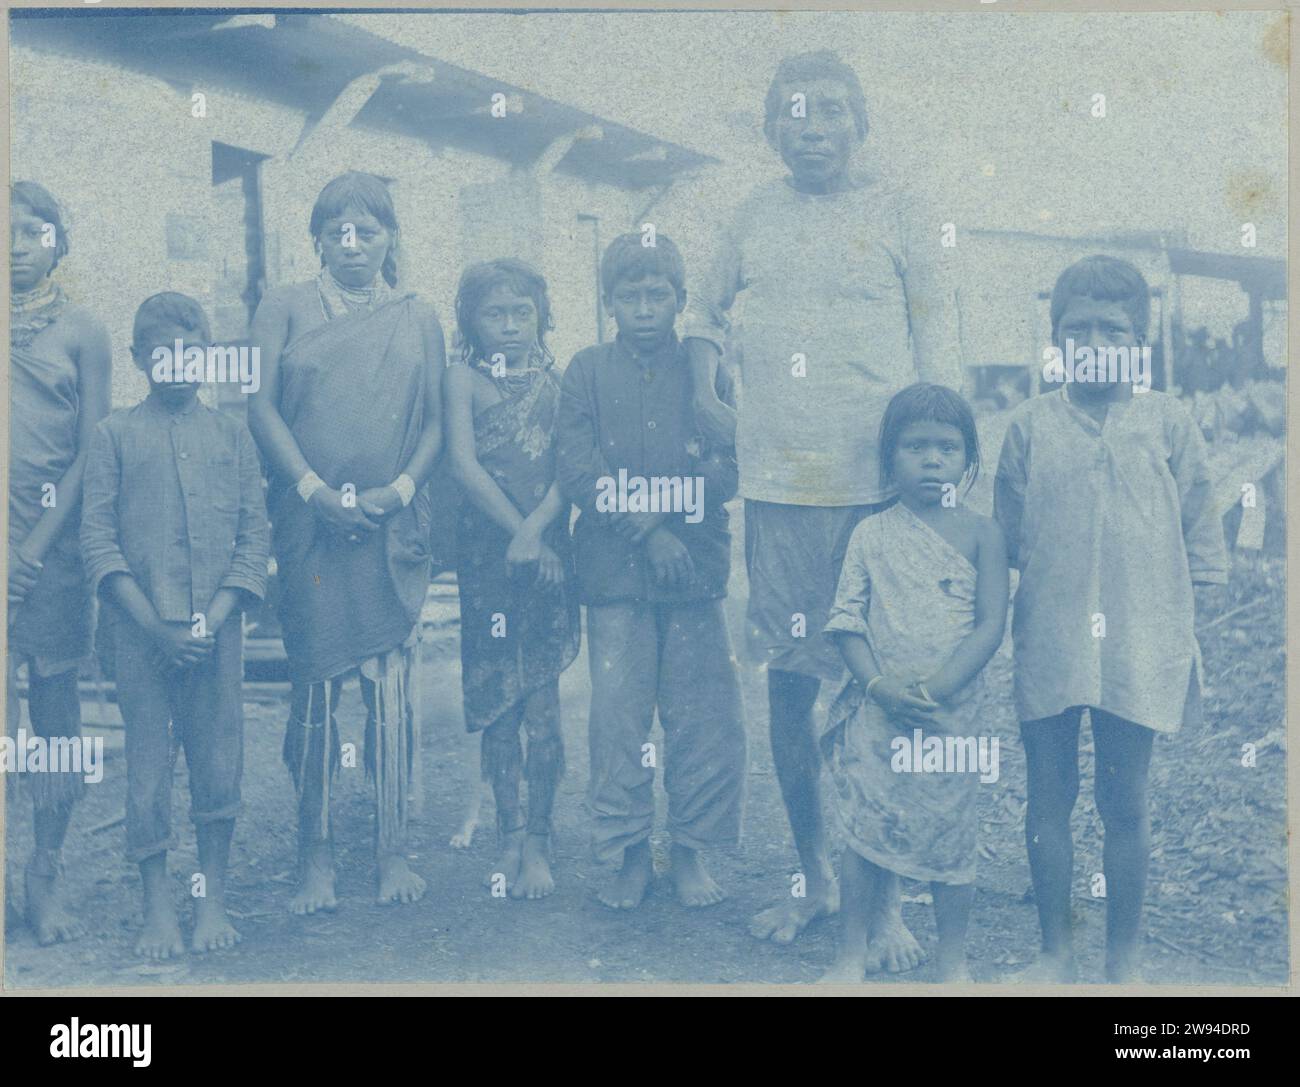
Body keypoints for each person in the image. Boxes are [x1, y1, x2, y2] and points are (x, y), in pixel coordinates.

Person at [682, 50, 962, 960]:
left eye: (832, 109)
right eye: (794, 112)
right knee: (794, 688)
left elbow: (939, 348)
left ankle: (884, 901)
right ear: (772, 129)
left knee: (882, 693)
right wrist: (704, 394)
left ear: (861, 122)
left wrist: (941, 488)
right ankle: (816, 878)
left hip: (881, 498)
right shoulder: (751, 215)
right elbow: (699, 315)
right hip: (780, 494)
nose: (813, 126)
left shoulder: (902, 214)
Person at [994, 255, 1229, 983]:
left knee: (1125, 799)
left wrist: (1201, 605)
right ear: (1055, 337)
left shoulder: (1167, 421)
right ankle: (1054, 954)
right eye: (1078, 327)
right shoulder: (1030, 426)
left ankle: (1123, 960)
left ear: (1140, 339)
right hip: (1052, 635)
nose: (1095, 340)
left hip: (1140, 635)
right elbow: (1001, 542)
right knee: (1049, 795)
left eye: (1113, 328)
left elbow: (1201, 522)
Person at [248, 171, 446, 913]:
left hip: (391, 527)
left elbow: (433, 422)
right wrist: (312, 491)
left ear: (391, 236)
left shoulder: (417, 315)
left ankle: (392, 850)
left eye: (369, 230)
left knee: (388, 690)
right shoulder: (285, 306)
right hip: (311, 525)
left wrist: (396, 494)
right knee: (317, 689)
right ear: (318, 239)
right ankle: (316, 854)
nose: (354, 245)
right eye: (339, 232)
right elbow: (259, 405)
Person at [557, 232, 747, 910]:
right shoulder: (584, 370)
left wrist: (666, 522)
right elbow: (578, 467)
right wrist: (646, 528)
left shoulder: (706, 372)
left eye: (657, 294)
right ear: (609, 301)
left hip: (693, 570)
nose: (644, 307)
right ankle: (629, 852)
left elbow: (729, 463)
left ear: (680, 300)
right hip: (613, 575)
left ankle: (691, 851)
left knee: (700, 716)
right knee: (619, 719)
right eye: (630, 294)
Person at [80, 293, 269, 959]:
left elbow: (253, 536)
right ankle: (156, 906)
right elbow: (98, 544)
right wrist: (157, 627)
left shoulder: (231, 435)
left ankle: (211, 897)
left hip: (215, 637)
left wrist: (212, 620)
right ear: (138, 359)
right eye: (162, 353)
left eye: (192, 352)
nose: (179, 365)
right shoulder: (113, 436)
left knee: (218, 761)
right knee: (148, 768)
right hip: (139, 638)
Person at [819, 385, 1007, 982]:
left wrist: (938, 689)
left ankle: (953, 967)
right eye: (915, 446)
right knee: (865, 828)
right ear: (888, 459)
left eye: (947, 447)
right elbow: (846, 622)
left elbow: (990, 624)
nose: (932, 459)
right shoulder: (870, 534)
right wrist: (877, 687)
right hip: (879, 713)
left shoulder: (983, 535)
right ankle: (851, 956)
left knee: (950, 834)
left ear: (969, 459)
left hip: (950, 714)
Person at [444, 259, 580, 900]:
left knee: (543, 708)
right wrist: (519, 533)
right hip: (487, 562)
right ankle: (506, 833)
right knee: (498, 705)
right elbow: (464, 466)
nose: (508, 326)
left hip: (551, 557)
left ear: (541, 317)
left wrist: (540, 530)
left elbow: (571, 467)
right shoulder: (462, 381)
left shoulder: (559, 385)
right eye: (494, 313)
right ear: (471, 320)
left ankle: (540, 840)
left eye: (520, 312)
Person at [7, 181, 111, 946]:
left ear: (58, 240)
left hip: (53, 559)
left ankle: (44, 876)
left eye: (32, 231)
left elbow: (91, 453)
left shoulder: (81, 331)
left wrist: (35, 548)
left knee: (55, 721)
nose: (14, 244)